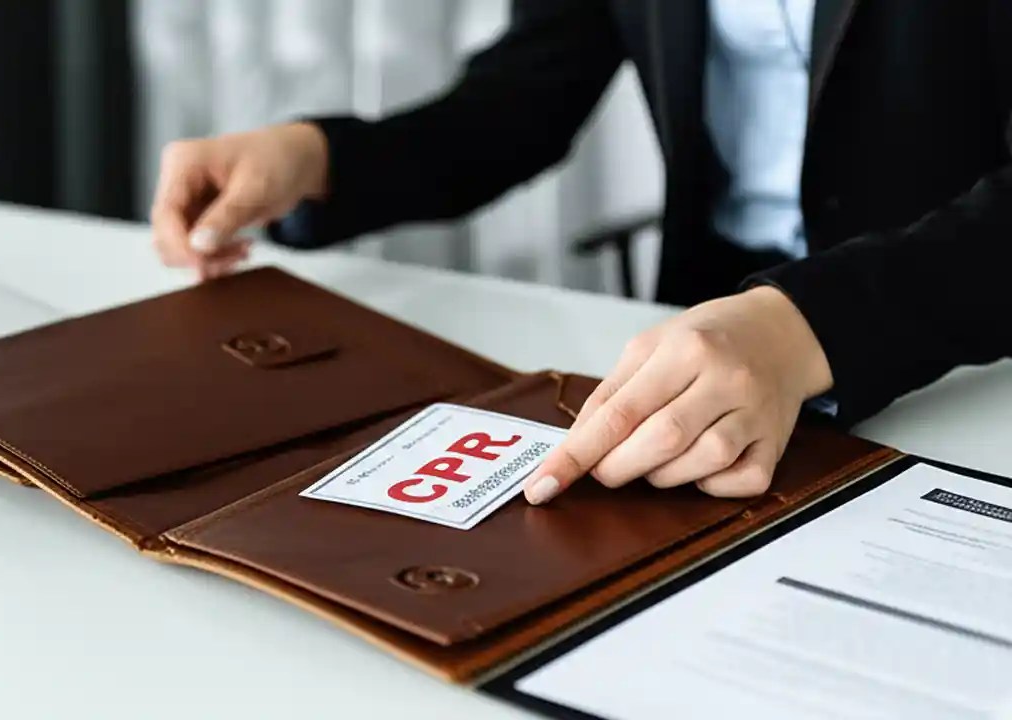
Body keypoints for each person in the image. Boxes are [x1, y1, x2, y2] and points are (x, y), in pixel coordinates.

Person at [150, 1, 1012, 506]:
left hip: (955, 359)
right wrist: (322, 160)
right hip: (699, 330)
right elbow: (526, 94)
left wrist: (814, 324)